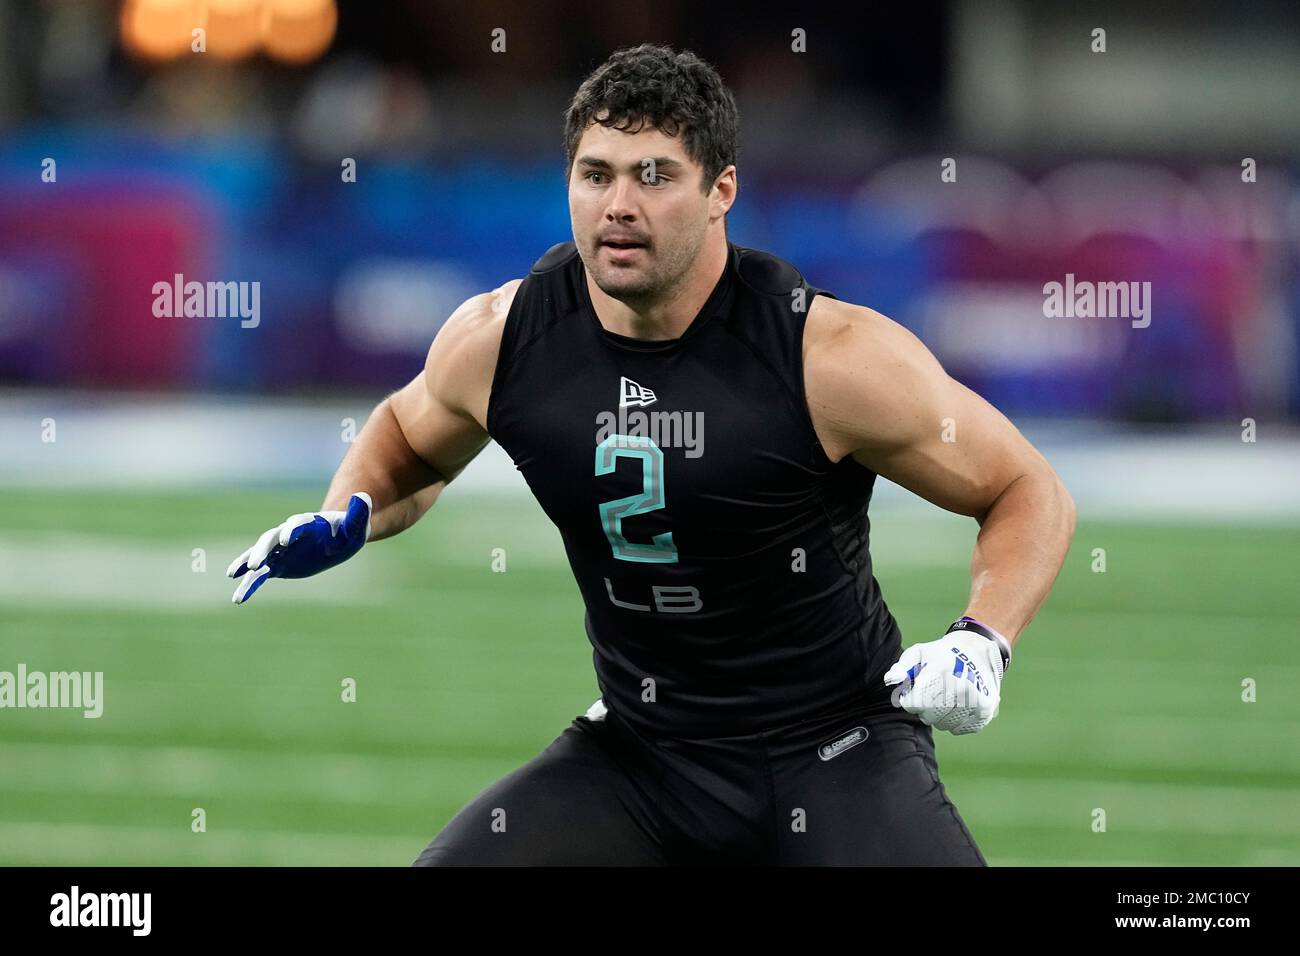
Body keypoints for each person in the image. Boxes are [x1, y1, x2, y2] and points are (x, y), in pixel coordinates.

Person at [227, 44, 1075, 866]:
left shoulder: (828, 355)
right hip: (645, 754)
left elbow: (1025, 486)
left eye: (655, 176)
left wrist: (982, 639)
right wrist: (352, 511)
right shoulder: (506, 337)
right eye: (596, 174)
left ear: (720, 191)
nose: (618, 205)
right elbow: (409, 437)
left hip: (834, 747)